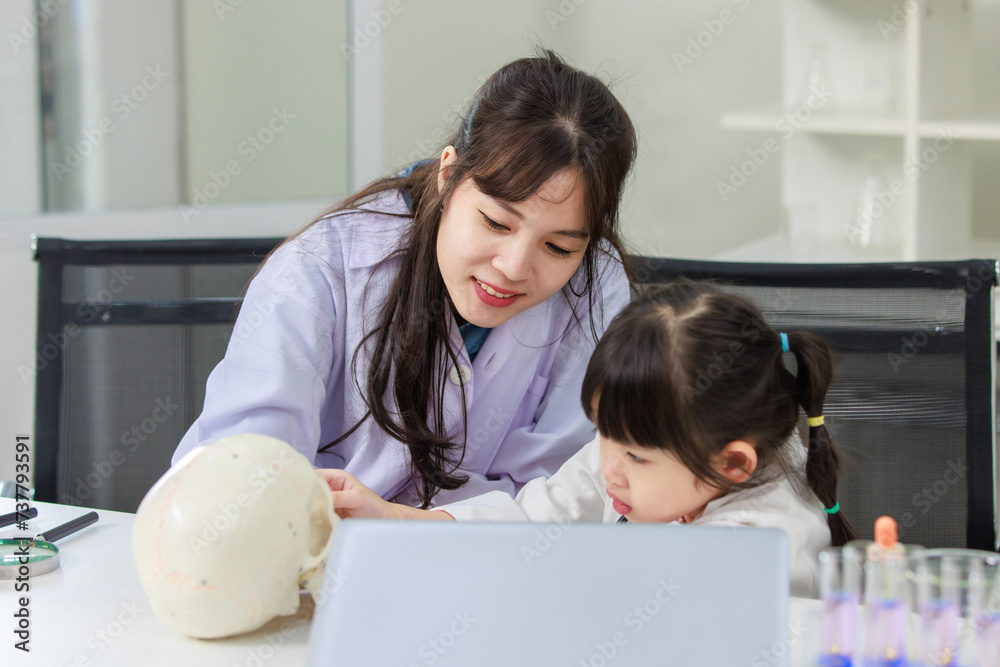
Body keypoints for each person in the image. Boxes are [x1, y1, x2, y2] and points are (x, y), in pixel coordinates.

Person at [171, 50, 638, 509]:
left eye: (559, 247)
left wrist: (411, 523)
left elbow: (572, 496)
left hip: (496, 556)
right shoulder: (320, 271)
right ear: (448, 174)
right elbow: (237, 478)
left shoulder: (597, 287)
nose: (514, 267)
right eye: (496, 223)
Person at [320, 281, 858, 597]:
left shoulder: (763, 548)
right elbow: (533, 521)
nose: (609, 468)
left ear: (732, 465)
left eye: (635, 456)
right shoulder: (640, 449)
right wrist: (392, 520)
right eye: (605, 435)